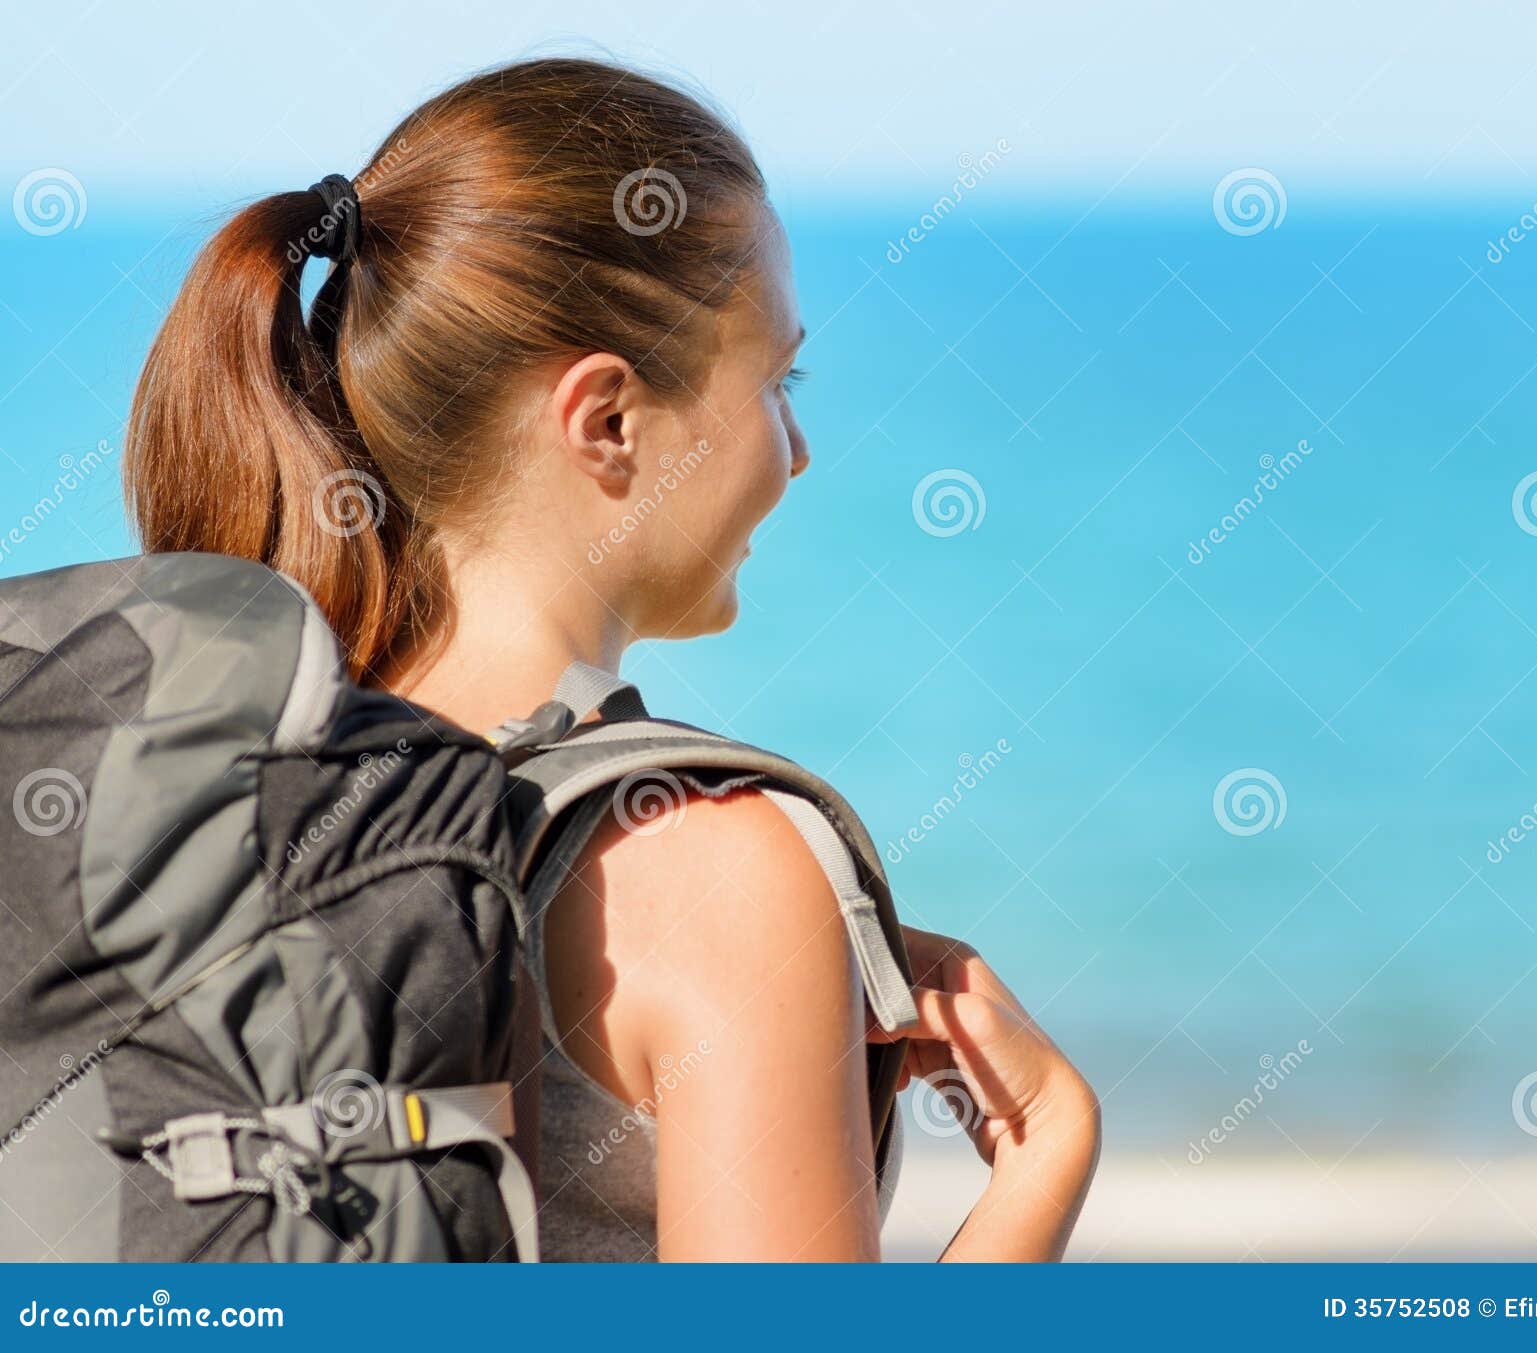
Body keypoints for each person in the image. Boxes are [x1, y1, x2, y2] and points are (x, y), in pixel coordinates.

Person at [125, 57, 1100, 1261]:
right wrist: (1042, 1164)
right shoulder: (711, 872)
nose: (795, 452)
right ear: (607, 421)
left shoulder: (191, 798)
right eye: (776, 381)